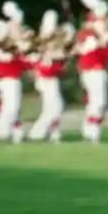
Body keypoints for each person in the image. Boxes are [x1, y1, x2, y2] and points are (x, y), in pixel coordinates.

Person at [74, 0, 108, 143]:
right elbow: (95, 47)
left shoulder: (92, 35)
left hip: (94, 70)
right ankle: (92, 130)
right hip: (92, 71)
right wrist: (105, 36)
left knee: (97, 101)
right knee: (98, 101)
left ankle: (89, 128)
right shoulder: (89, 36)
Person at [0, 1, 32, 144]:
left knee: (14, 106)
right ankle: (3, 130)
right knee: (11, 106)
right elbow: (10, 60)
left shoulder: (10, 50)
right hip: (6, 81)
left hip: (14, 80)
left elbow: (21, 63)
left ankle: (14, 131)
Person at [28, 9, 73, 143]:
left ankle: (52, 131)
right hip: (45, 77)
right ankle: (38, 131)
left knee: (52, 106)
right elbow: (54, 54)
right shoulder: (45, 43)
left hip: (50, 76)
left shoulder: (50, 41)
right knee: (55, 106)